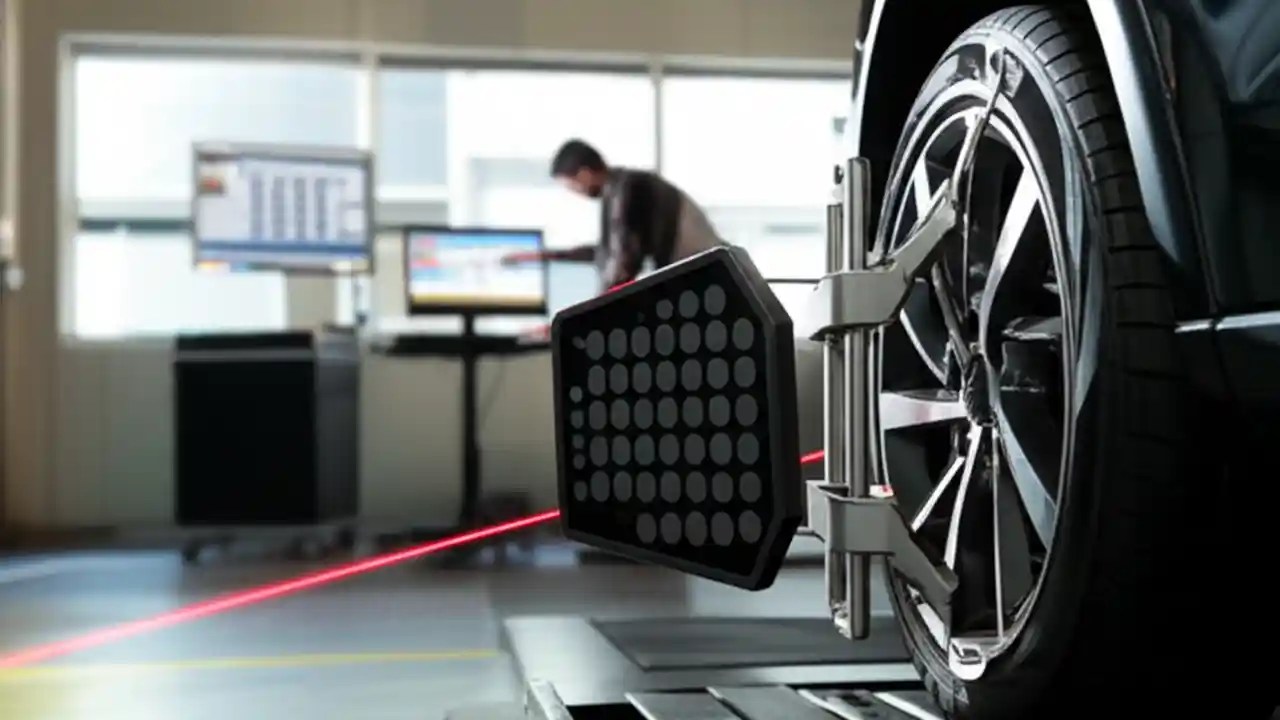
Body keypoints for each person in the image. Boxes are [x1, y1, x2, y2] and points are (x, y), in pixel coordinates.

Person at [504, 139, 725, 291]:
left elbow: (623, 263)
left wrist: (589, 317)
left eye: (571, 185)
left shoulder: (628, 191)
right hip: (699, 278)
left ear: (584, 174)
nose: (575, 192)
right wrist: (540, 256)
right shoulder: (619, 188)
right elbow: (607, 252)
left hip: (705, 277)